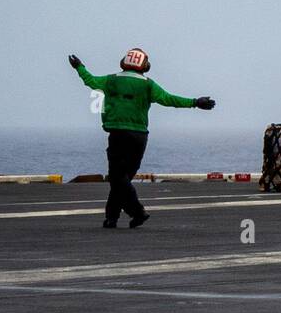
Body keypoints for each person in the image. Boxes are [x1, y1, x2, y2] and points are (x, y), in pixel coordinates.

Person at [68, 49, 215, 229]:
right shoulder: (148, 84)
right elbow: (169, 99)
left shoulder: (111, 80)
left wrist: (79, 67)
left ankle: (137, 212)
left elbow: (90, 81)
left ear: (123, 62)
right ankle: (111, 218)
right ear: (145, 66)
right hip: (139, 137)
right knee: (122, 179)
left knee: (117, 178)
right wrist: (195, 102)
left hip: (118, 133)